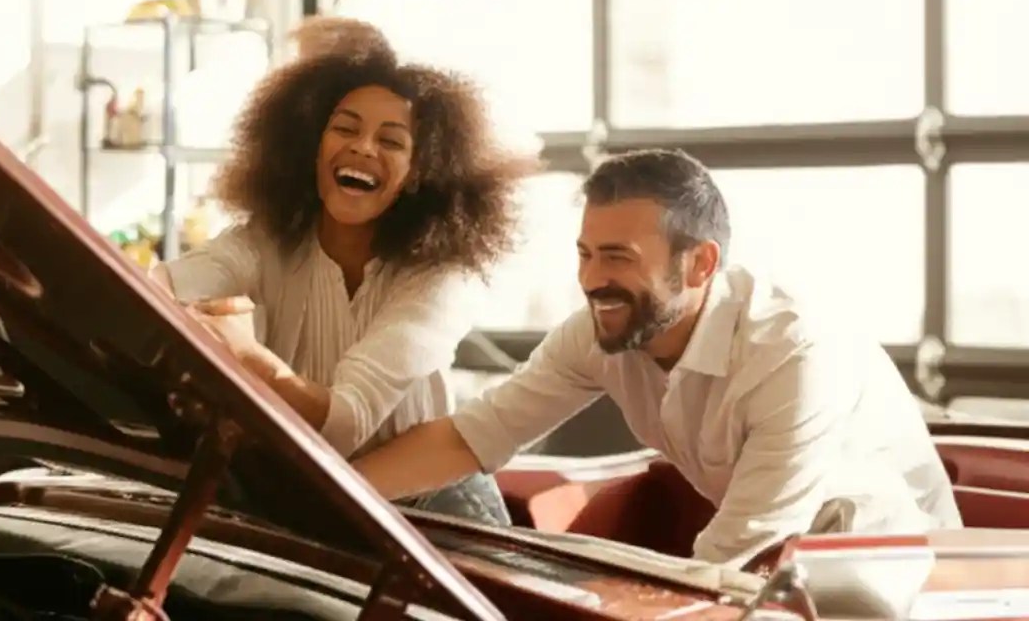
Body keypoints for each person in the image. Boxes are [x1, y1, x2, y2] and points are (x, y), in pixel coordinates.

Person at [351, 148, 962, 566]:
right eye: (585, 254)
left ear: (700, 263)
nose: (592, 280)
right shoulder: (597, 333)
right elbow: (473, 435)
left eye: (617, 257)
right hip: (768, 571)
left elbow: (734, 560)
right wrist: (331, 496)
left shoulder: (794, 356)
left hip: (900, 579)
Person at [150, 17, 533, 525]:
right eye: (345, 128)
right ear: (312, 149)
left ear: (420, 174)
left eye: (392, 141)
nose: (363, 147)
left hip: (437, 509)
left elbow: (345, 422)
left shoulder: (439, 278)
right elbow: (160, 289)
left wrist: (245, 355)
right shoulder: (264, 242)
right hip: (320, 499)